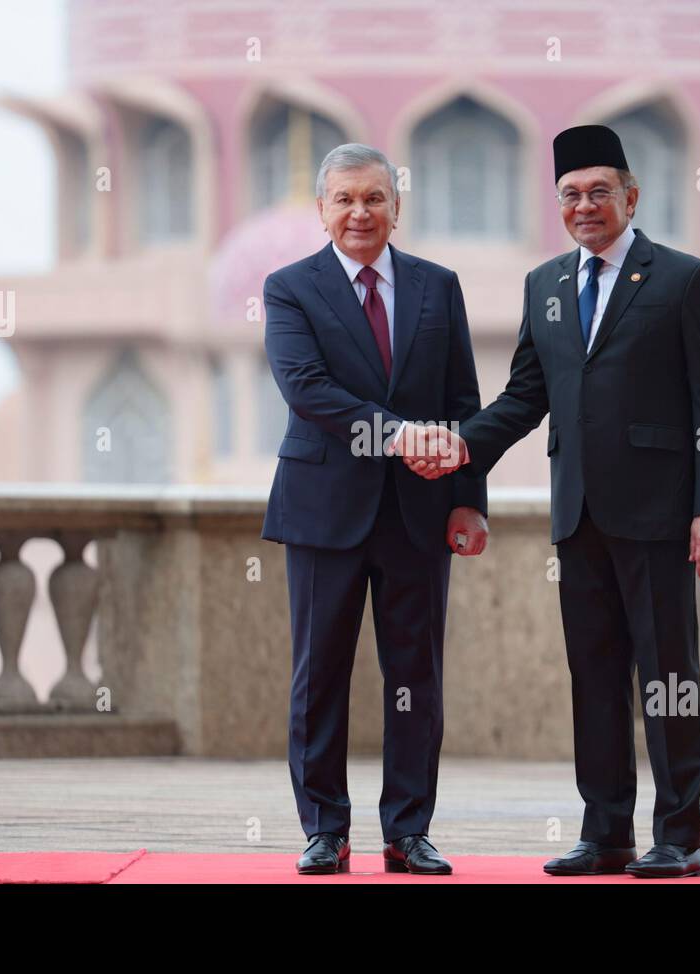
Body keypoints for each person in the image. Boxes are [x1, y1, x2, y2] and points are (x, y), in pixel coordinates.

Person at [394, 124, 700, 878]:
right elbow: (525, 396)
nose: (585, 206)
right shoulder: (546, 285)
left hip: (660, 515)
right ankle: (606, 832)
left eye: (599, 192)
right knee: (596, 677)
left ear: (631, 196)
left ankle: (679, 835)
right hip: (577, 514)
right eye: (571, 195)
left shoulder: (681, 279)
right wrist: (459, 448)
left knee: (668, 679)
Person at [262, 143, 489, 876]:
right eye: (345, 199)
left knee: (414, 680)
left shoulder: (437, 286)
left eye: (374, 199)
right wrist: (396, 434)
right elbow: (305, 387)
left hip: (420, 514)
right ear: (322, 210)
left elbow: (462, 401)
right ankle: (324, 829)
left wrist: (469, 503)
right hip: (325, 510)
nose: (360, 212)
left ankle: (408, 831)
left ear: (397, 207)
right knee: (319, 673)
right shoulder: (289, 287)